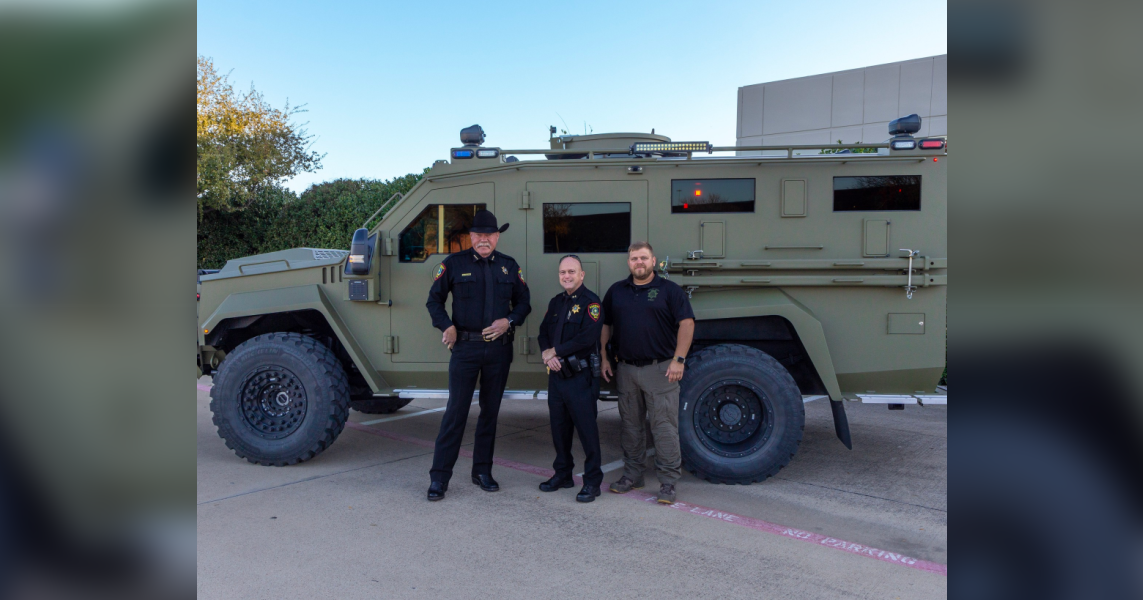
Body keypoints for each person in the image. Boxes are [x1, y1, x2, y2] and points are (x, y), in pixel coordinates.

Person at [424, 209, 530, 501]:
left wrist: (509, 320)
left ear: (497, 237)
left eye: (490, 235)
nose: (484, 240)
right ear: (471, 237)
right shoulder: (453, 264)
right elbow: (434, 301)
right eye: (479, 235)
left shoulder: (509, 266)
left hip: (499, 349)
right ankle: (439, 478)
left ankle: (482, 471)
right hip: (466, 348)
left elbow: (524, 303)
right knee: (455, 413)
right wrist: (447, 326)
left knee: (489, 414)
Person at [600, 241, 694, 505]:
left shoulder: (670, 291)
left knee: (664, 428)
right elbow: (605, 324)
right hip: (626, 369)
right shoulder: (616, 291)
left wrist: (679, 360)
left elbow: (687, 323)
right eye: (634, 259)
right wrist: (604, 357)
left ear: (653, 261)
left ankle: (668, 482)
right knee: (631, 426)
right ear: (629, 263)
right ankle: (633, 475)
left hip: (661, 370)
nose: (638, 262)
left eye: (643, 258)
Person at [536, 255, 605, 503]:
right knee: (559, 430)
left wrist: (556, 351)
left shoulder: (591, 303)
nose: (567, 276)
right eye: (563, 272)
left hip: (580, 377)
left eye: (572, 272)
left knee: (587, 432)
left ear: (582, 275)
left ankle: (592, 482)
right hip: (557, 376)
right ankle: (563, 474)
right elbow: (543, 332)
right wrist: (547, 353)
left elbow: (587, 338)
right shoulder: (556, 302)